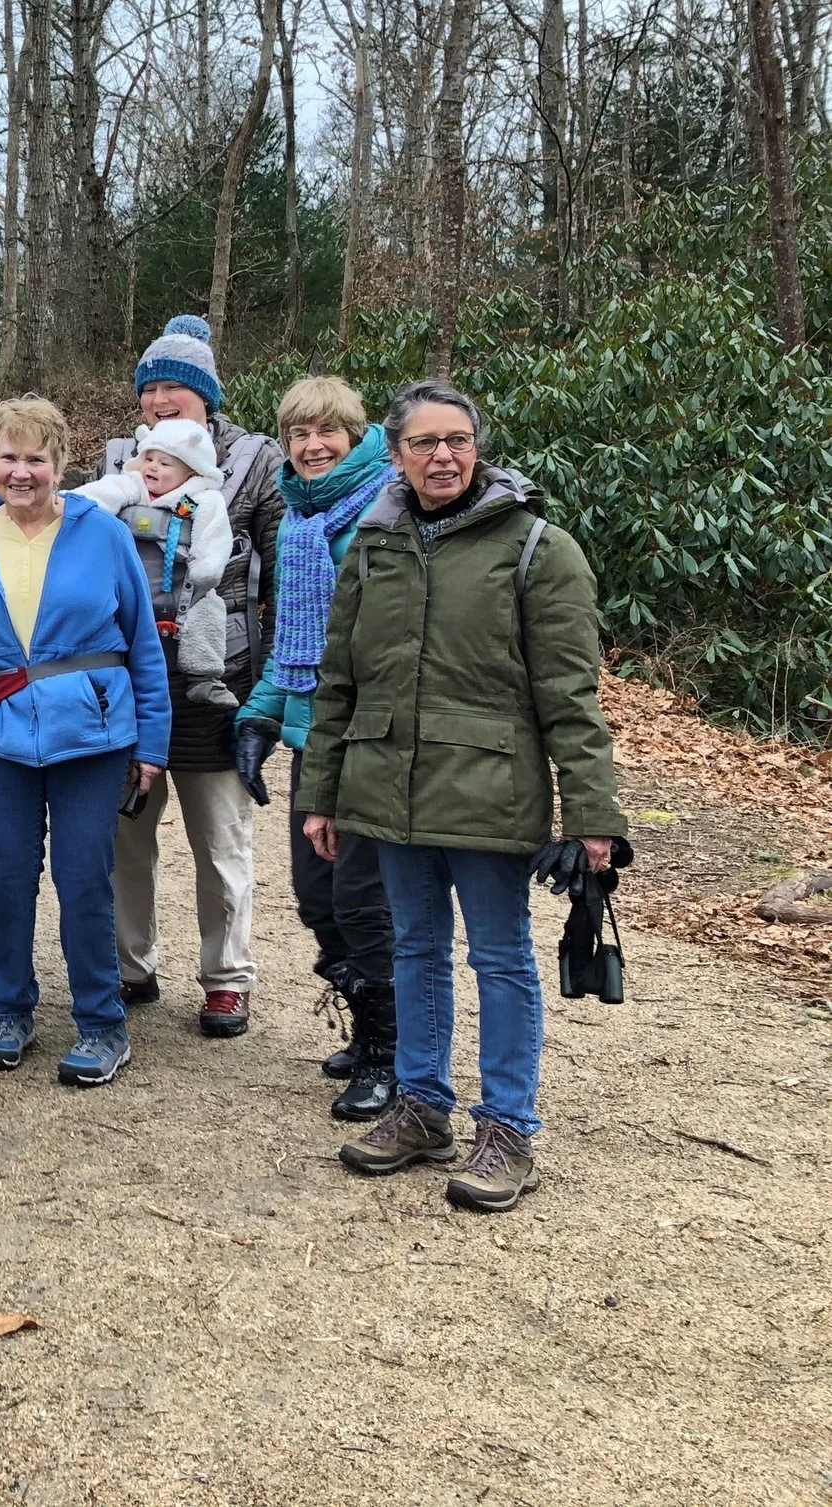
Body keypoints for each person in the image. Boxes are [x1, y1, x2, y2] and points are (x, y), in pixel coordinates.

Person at [303, 382, 624, 1212]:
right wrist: (322, 793)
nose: (443, 455)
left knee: (500, 957)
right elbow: (337, 683)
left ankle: (509, 1127)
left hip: (490, 792)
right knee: (413, 949)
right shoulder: (372, 545)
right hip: (388, 790)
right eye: (425, 442)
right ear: (397, 453)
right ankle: (423, 1107)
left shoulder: (537, 548)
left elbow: (570, 696)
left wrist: (592, 814)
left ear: (478, 447)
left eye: (457, 439)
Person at [0, 397, 170, 1088]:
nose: (23, 472)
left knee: (83, 879)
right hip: (3, 735)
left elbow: (142, 643)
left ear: (59, 463)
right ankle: (11, 1010)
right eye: (10, 458)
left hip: (94, 733)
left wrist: (152, 744)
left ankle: (102, 1023)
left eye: (37, 459)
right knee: (7, 875)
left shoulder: (100, 533)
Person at [100, 314, 280, 1037]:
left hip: (218, 682)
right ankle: (129, 966)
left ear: (206, 393)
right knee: (125, 837)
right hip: (130, 675)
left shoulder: (257, 460)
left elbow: (284, 572)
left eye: (176, 386)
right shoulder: (122, 456)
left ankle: (226, 978)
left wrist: (268, 693)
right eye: (150, 388)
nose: (160, 400)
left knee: (221, 839)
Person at [233, 378, 398, 1121]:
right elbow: (293, 646)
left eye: (328, 431)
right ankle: (368, 1024)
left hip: (372, 737)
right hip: (314, 738)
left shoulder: (385, 510)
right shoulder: (299, 520)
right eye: (299, 434)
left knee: (363, 898)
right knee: (315, 892)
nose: (312, 445)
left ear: (358, 435)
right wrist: (260, 718)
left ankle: (389, 1053)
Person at [70, 418, 240, 710]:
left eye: (165, 463)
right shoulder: (131, 486)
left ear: (191, 471)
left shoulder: (203, 500)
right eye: (149, 458)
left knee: (209, 610)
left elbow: (215, 534)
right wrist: (70, 508)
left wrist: (207, 568)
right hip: (125, 588)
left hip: (183, 592)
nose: (152, 468)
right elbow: (95, 497)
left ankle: (204, 677)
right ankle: (91, 669)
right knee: (92, 609)